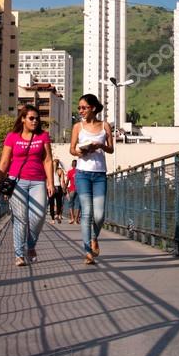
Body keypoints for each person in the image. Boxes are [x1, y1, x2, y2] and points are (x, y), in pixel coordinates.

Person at [0, 105, 55, 267]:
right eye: (31, 118)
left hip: (38, 181)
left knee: (39, 216)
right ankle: (19, 254)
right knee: (20, 218)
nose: (35, 121)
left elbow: (48, 160)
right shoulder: (12, 137)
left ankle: (31, 245)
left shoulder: (43, 136)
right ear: (23, 119)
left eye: (37, 118)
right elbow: (5, 161)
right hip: (17, 181)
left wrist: (51, 182)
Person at [70, 93, 113, 265]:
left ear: (93, 108)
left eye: (84, 107)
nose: (80, 111)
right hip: (82, 174)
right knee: (87, 213)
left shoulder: (105, 126)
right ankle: (88, 251)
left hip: (100, 174)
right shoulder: (77, 127)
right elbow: (72, 149)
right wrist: (81, 151)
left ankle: (94, 237)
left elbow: (111, 149)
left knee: (100, 215)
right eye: (79, 108)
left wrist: (100, 145)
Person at [66, 159, 79, 224]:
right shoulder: (80, 172)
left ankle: (72, 218)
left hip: (72, 189)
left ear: (72, 165)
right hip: (79, 189)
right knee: (78, 204)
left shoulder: (70, 172)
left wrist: (65, 188)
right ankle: (76, 220)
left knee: (71, 204)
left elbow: (67, 181)